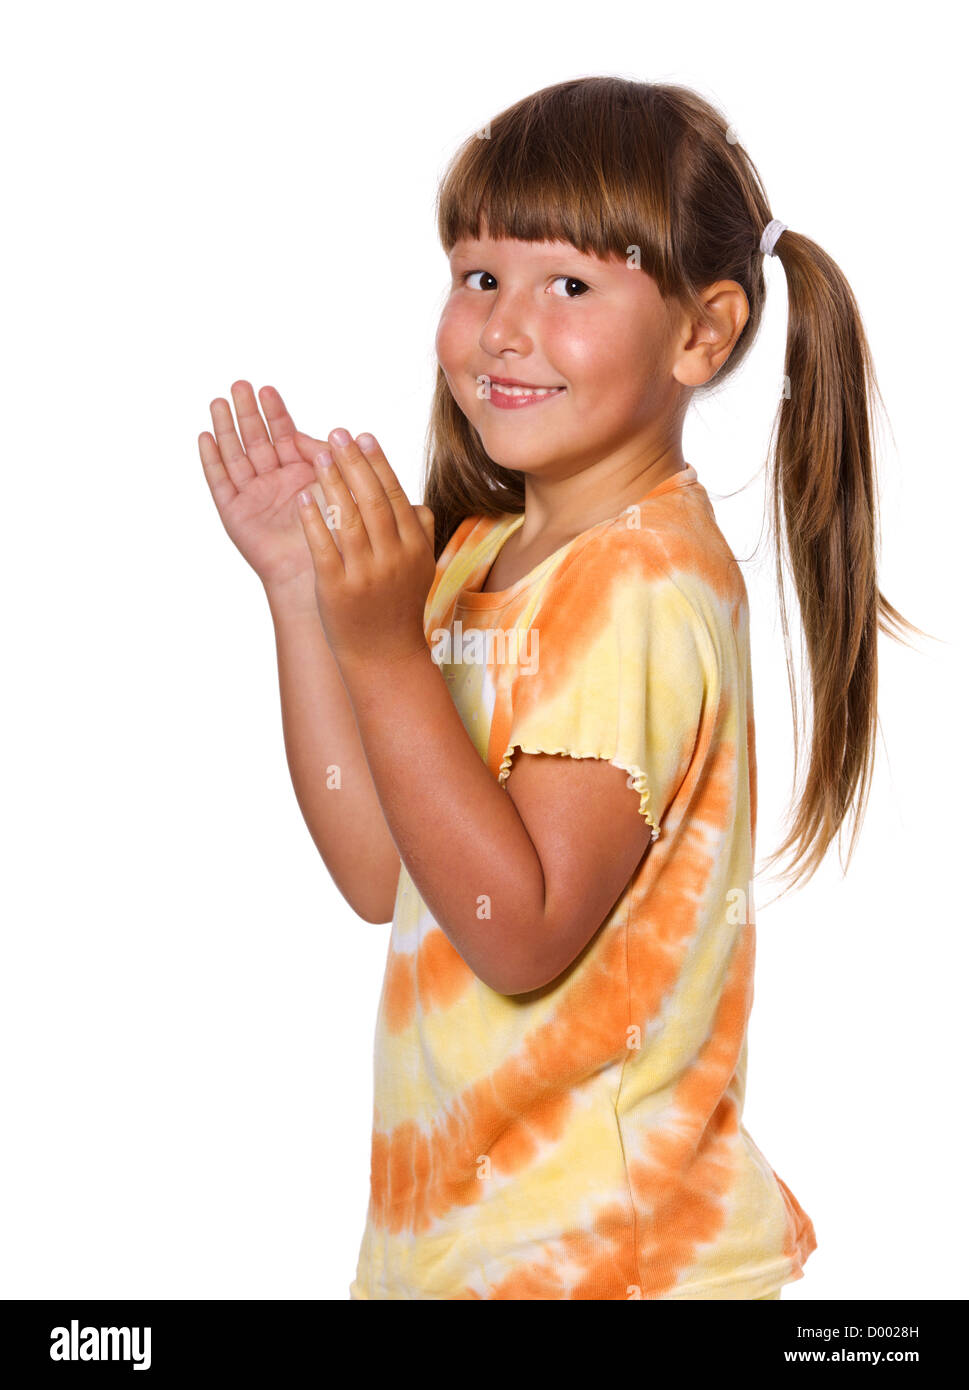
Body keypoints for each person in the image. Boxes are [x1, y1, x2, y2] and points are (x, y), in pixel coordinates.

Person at [198, 76, 922, 1300]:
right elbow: (385, 869)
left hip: (612, 1262)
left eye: (570, 286)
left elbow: (519, 930)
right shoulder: (479, 556)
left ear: (704, 333)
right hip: (466, 1249)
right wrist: (306, 602)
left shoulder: (644, 585)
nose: (504, 328)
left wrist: (381, 650)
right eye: (479, 277)